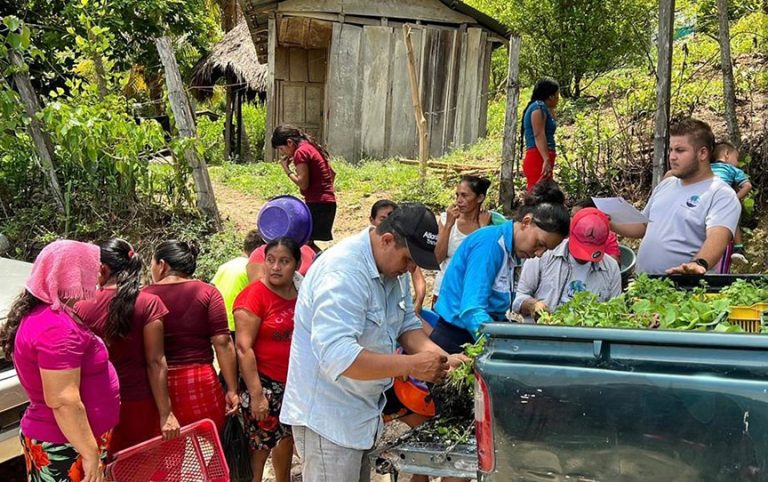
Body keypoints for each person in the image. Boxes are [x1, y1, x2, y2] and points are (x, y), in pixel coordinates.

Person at [279, 204, 468, 482]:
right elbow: (338, 357)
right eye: (408, 259)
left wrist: (443, 359)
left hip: (363, 414)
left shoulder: (392, 270)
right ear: (387, 240)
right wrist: (411, 365)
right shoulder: (343, 272)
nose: (410, 269)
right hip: (328, 418)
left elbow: (407, 326)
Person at [0, 240, 119, 482]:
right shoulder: (56, 327)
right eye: (91, 267)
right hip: (66, 445)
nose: (98, 273)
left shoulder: (53, 315)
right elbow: (63, 400)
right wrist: (89, 453)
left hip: (70, 440)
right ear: (70, 275)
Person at [432, 181, 570, 353]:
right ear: (526, 222)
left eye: (546, 250)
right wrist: (502, 348)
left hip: (479, 332)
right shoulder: (489, 245)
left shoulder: (511, 251)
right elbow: (472, 310)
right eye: (539, 244)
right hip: (456, 339)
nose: (540, 254)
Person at [75, 239, 180, 455]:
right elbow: (156, 362)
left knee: (105, 466)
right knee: (140, 468)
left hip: (97, 403)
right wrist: (165, 413)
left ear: (102, 269)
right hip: (140, 403)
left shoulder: (81, 307)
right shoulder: (149, 303)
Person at [613, 119, 741, 275]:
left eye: (680, 150)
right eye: (671, 150)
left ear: (702, 153)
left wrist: (699, 263)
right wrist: (607, 221)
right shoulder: (666, 185)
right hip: (645, 287)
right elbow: (643, 227)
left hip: (685, 290)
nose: (672, 157)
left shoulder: (721, 194)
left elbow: (718, 236)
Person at [144, 240, 239, 432]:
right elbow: (223, 343)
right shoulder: (209, 293)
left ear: (162, 265)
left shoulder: (144, 296)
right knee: (208, 448)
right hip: (201, 381)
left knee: (168, 451)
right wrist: (232, 389)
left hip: (157, 386)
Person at [234, 237, 300, 482]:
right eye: (270, 260)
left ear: (296, 264)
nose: (276, 267)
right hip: (264, 385)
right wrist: (257, 395)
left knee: (287, 440)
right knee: (258, 448)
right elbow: (243, 348)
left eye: (284, 261)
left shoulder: (301, 291)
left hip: (293, 384)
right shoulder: (253, 296)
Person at [513, 208, 621, 319]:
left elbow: (615, 312)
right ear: (570, 235)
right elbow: (518, 299)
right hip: (543, 331)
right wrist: (533, 305)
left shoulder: (610, 268)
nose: (583, 258)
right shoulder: (545, 252)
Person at [273, 125, 336, 252]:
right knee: (307, 245)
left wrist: (286, 169)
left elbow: (303, 183)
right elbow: (332, 173)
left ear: (289, 143)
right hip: (327, 203)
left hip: (317, 204)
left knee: (304, 246)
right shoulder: (310, 147)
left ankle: (326, 264)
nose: (282, 153)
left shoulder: (300, 153)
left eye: (281, 148)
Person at [432, 176, 493, 308]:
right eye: (457, 195)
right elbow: (437, 259)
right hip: (444, 291)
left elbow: (485, 261)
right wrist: (448, 225)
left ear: (480, 198)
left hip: (471, 295)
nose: (459, 201)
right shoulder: (446, 219)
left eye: (465, 196)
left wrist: (483, 231)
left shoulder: (488, 225)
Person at [370, 200, 427, 316]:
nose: (387, 224)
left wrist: (417, 305)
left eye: (391, 219)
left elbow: (418, 279)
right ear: (372, 220)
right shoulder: (357, 266)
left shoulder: (403, 250)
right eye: (382, 219)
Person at [211, 229, 265, 335]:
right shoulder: (253, 270)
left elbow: (212, 287)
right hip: (240, 322)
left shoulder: (226, 266)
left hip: (220, 321)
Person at [712, 141, 752, 264]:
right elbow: (747, 186)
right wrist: (734, 198)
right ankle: (738, 248)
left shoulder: (706, 167)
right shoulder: (732, 169)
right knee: (732, 219)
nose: (737, 162)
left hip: (705, 196)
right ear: (727, 154)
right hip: (723, 198)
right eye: (736, 158)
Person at [522, 78, 560, 191]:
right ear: (550, 96)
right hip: (538, 156)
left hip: (541, 156)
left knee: (544, 192)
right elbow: (538, 135)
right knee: (538, 193)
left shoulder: (542, 108)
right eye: (557, 95)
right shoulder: (538, 107)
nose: (558, 99)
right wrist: (546, 159)